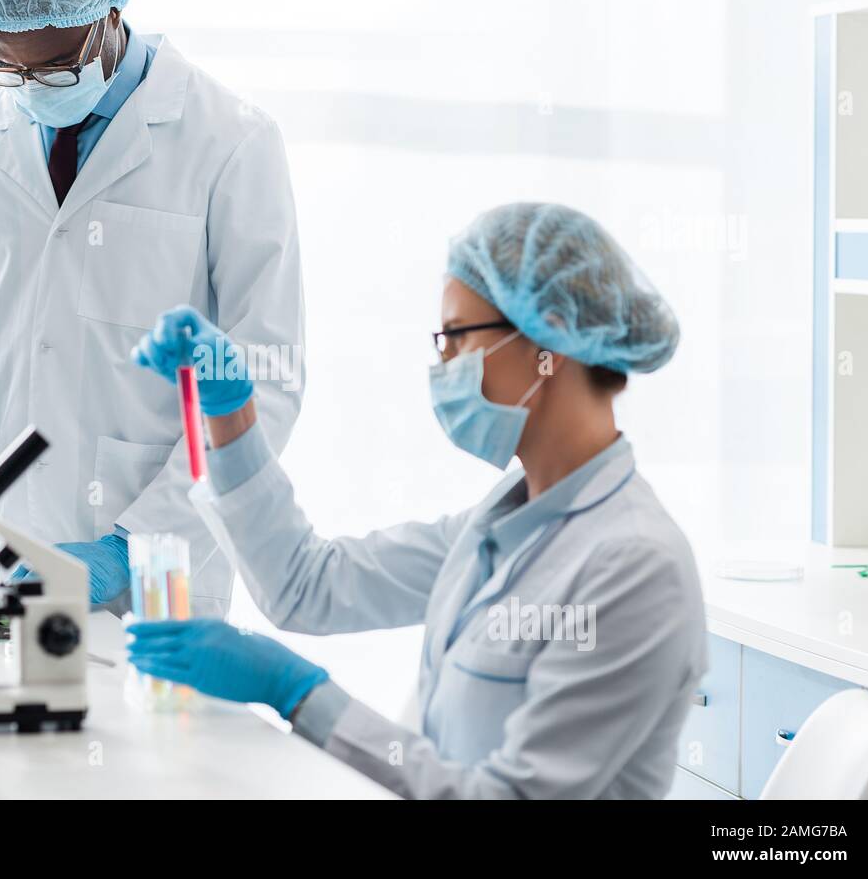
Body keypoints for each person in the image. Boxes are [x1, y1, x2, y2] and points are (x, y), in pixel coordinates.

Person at [127, 203, 707, 799]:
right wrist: (230, 412)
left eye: (456, 337)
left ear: (550, 336)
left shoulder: (634, 567)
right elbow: (308, 586)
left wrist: (299, 692)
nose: (442, 366)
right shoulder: (502, 523)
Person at [0, 0, 304, 615]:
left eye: (57, 68)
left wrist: (138, 541)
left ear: (110, 16)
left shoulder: (231, 143)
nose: (32, 89)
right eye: (9, 67)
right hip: (3, 556)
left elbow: (262, 378)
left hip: (161, 573)